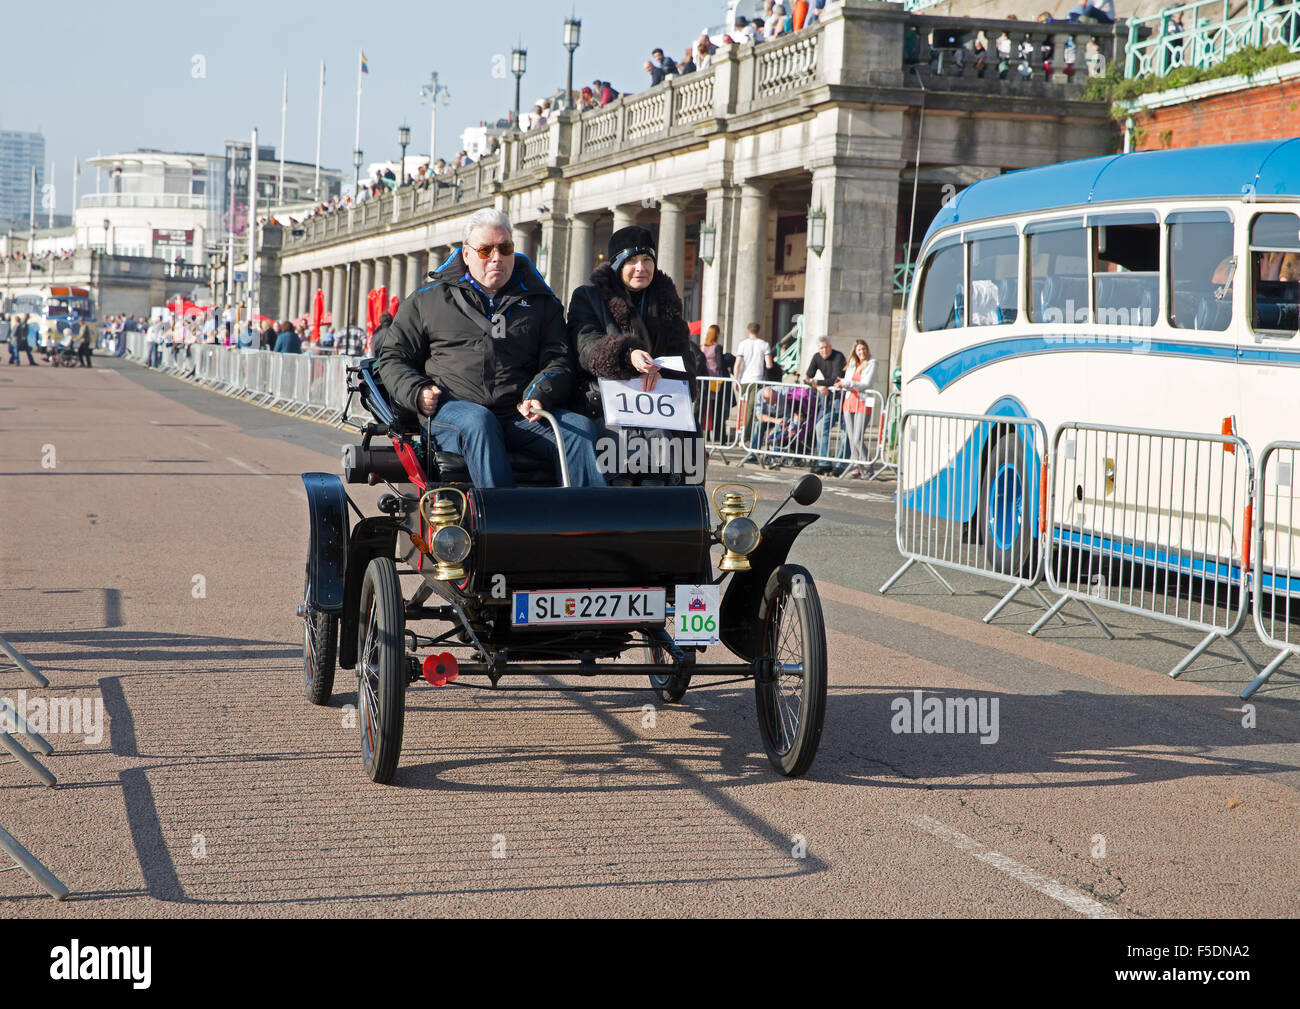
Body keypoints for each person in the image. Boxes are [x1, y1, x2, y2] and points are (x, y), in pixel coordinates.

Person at [377, 208, 604, 489]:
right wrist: (417, 391)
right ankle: (503, 525)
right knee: (480, 421)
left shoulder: (541, 301)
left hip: (519, 412)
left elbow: (558, 360)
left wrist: (538, 395)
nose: (497, 257)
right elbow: (392, 358)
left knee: (579, 430)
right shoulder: (426, 300)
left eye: (505, 248)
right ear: (466, 254)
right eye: (486, 250)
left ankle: (585, 527)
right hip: (453, 410)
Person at [568, 225, 701, 485]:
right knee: (625, 456)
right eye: (631, 260)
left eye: (647, 260)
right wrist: (627, 355)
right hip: (605, 402)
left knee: (686, 438)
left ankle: (681, 516)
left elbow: (683, 354)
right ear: (616, 264)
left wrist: (663, 370)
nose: (640, 267)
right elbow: (586, 345)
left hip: (658, 403)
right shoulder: (588, 297)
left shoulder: (667, 300)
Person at [805, 336, 847, 475]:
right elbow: (807, 377)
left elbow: (834, 379)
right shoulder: (817, 357)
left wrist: (819, 384)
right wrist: (817, 387)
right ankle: (824, 462)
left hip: (844, 396)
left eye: (826, 347)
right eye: (821, 348)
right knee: (820, 426)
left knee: (846, 431)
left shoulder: (838, 356)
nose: (824, 350)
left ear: (831, 346)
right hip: (830, 397)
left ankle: (842, 464)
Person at [836, 340, 877, 478]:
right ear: (855, 351)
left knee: (857, 438)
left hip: (864, 401)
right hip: (850, 401)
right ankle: (855, 466)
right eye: (859, 350)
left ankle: (867, 466)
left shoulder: (872, 363)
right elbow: (848, 382)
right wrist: (843, 384)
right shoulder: (852, 363)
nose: (862, 352)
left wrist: (847, 383)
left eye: (864, 349)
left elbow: (866, 383)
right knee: (851, 436)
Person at [734, 322, 773, 464]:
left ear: (748, 330)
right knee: (752, 409)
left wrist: (735, 380)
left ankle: (742, 437)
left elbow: (738, 364)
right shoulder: (764, 345)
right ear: (759, 330)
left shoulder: (743, 344)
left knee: (744, 408)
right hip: (756, 379)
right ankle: (747, 437)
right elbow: (769, 364)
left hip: (744, 379)